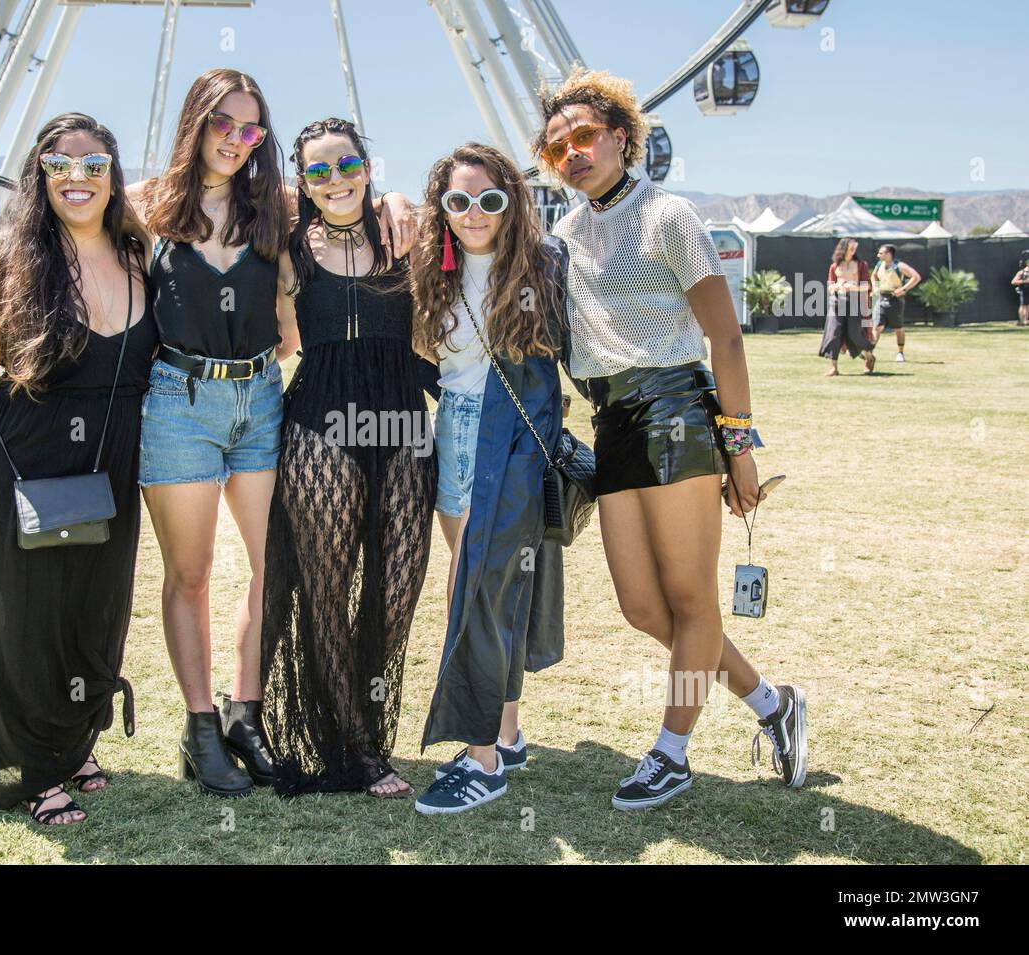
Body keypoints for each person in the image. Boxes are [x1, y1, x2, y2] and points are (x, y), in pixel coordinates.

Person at [0, 69, 417, 798]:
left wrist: (395, 197)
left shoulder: (273, 204)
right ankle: (200, 727)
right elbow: (61, 216)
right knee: (189, 576)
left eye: (251, 128)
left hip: (260, 399)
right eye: (223, 122)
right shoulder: (147, 203)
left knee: (276, 568)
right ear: (197, 120)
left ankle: (246, 712)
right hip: (178, 400)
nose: (236, 138)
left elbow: (345, 194)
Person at [539, 68, 807, 810]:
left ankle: (672, 751)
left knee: (690, 598)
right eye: (557, 145)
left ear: (622, 137)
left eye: (585, 136)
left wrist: (740, 446)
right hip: (610, 420)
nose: (573, 153)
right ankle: (772, 705)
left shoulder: (669, 216)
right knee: (641, 606)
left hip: (677, 410)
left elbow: (726, 336)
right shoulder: (560, 234)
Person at [0, 113, 154, 826]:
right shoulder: (6, 262)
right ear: (39, 176)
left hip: (109, 467)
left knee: (93, 612)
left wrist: (395, 203)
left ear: (115, 175)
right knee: (25, 618)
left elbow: (222, 186)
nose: (78, 178)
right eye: (61, 165)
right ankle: (36, 770)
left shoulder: (141, 252)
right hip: (21, 461)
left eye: (94, 165)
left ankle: (74, 743)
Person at [260, 118, 435, 799]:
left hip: (399, 416)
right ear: (300, 181)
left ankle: (359, 707)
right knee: (325, 590)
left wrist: (401, 205)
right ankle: (357, 745)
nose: (337, 179)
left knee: (397, 588)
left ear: (369, 165)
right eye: (319, 170)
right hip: (319, 420)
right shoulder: (288, 249)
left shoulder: (404, 236)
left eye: (349, 164)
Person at [409, 143, 567, 815]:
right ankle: (505, 732)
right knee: (477, 584)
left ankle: (481, 762)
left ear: (513, 202)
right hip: (454, 430)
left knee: (478, 589)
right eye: (459, 201)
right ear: (441, 206)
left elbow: (573, 354)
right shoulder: (428, 267)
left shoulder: (542, 264)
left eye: (490, 200)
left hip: (510, 439)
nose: (474, 214)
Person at [818, 238, 874, 375]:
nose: (854, 250)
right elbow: (830, 286)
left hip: (855, 302)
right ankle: (834, 367)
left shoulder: (861, 265)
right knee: (833, 333)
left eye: (855, 247)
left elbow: (867, 286)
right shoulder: (834, 266)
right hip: (837, 302)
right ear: (844, 248)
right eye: (851, 247)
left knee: (855, 334)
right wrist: (836, 286)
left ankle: (869, 357)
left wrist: (853, 287)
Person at [870, 244, 920, 361]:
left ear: (888, 254)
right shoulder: (879, 265)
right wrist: (875, 287)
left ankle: (900, 353)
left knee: (898, 328)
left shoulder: (899, 266)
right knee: (877, 326)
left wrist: (904, 289)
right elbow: (873, 276)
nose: (878, 255)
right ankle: (869, 351)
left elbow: (916, 277)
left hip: (895, 300)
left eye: (881, 253)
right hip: (881, 298)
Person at [1011, 259, 1029, 326]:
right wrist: (1025, 281)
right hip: (1024, 290)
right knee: (1023, 305)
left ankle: (1026, 320)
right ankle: (1022, 321)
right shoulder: (1021, 272)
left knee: (1028, 306)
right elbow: (1013, 282)